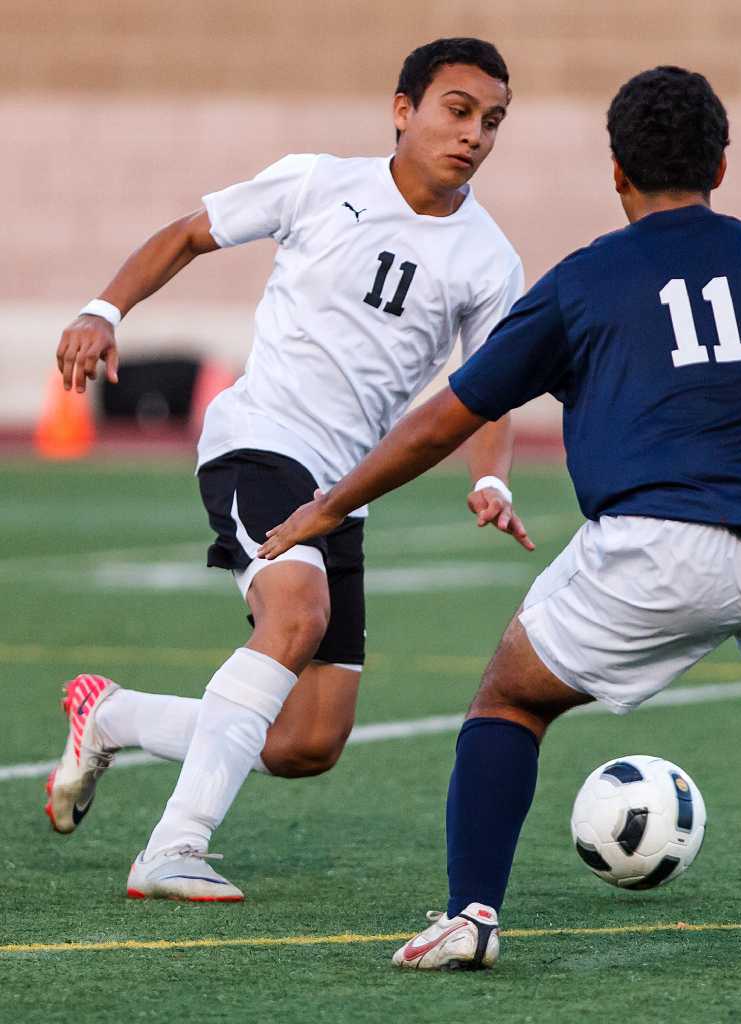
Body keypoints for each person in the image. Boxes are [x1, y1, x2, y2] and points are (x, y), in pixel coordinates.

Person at [259, 65, 741, 968]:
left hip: (656, 555)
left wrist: (330, 504)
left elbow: (446, 418)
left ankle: (471, 915)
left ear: (616, 171)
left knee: (509, 698)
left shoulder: (581, 283)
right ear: (722, 166)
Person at [47, 37, 533, 902]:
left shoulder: (490, 260)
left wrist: (489, 478)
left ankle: (112, 716)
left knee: (307, 742)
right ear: (403, 109)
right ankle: (173, 847)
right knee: (296, 612)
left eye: (491, 121)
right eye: (457, 111)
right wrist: (101, 308)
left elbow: (486, 393)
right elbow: (190, 233)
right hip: (260, 439)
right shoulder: (318, 182)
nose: (474, 135)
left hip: (347, 492)